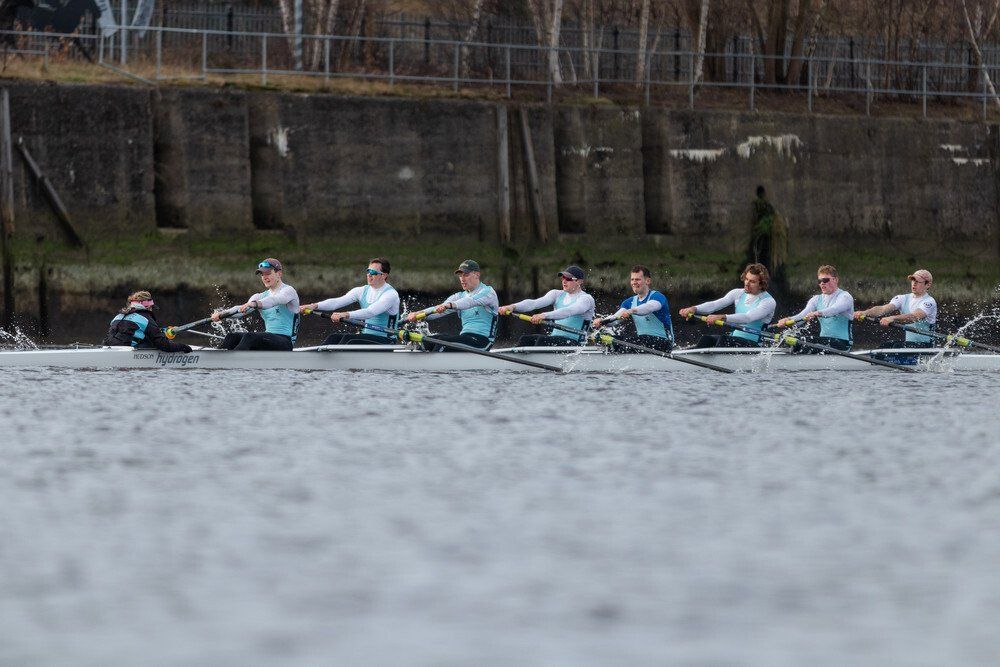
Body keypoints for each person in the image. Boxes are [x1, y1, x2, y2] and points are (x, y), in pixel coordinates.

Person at [301, 258, 400, 345]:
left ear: (384, 275)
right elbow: (337, 302)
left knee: (348, 339)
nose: (369, 275)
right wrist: (314, 306)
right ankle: (318, 360)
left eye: (373, 272)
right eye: (368, 271)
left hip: (386, 341)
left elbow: (370, 312)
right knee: (333, 338)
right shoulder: (361, 291)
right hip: (367, 336)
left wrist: (345, 314)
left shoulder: (390, 294)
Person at [405, 259, 499, 351]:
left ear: (477, 275)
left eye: (466, 275)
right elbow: (436, 311)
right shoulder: (459, 296)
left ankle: (432, 365)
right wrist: (417, 314)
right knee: (429, 340)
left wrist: (449, 305)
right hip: (465, 338)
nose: (462, 279)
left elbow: (470, 302)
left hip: (482, 342)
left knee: (442, 342)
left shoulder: (488, 292)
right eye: (460, 275)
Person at [678, 263, 776, 348]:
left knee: (724, 340)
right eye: (746, 279)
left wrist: (722, 317)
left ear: (761, 284)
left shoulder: (768, 302)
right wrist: (694, 308)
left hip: (754, 345)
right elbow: (714, 304)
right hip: (735, 339)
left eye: (752, 281)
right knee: (707, 339)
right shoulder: (738, 293)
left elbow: (748, 318)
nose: (747, 283)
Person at [212, 258, 300, 351]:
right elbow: (241, 311)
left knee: (250, 337)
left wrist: (254, 304)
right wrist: (221, 315)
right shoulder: (259, 296)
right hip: (269, 340)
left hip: (285, 342)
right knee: (231, 337)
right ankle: (216, 360)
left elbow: (274, 300)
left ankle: (234, 360)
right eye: (262, 274)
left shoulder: (289, 291)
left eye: (268, 273)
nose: (265, 277)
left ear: (279, 274)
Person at [499, 265, 595, 347]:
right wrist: (512, 307)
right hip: (555, 340)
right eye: (563, 278)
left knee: (541, 340)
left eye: (568, 279)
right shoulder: (556, 294)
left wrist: (544, 315)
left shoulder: (586, 299)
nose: (564, 281)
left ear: (579, 281)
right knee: (526, 339)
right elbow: (534, 303)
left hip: (575, 343)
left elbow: (568, 311)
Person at [592, 265, 674, 352]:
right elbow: (615, 319)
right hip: (644, 343)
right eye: (632, 279)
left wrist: (632, 311)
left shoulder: (658, 297)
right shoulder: (629, 302)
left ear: (648, 281)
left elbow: (649, 308)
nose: (634, 282)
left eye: (638, 279)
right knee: (609, 339)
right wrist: (602, 322)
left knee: (628, 341)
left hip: (664, 343)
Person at [774, 264, 854, 351]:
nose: (822, 283)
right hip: (825, 343)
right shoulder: (816, 299)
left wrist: (818, 313)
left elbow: (835, 309)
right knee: (787, 339)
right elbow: (802, 317)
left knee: (803, 341)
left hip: (843, 344)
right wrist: (788, 320)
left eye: (825, 280)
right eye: (820, 281)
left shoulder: (845, 297)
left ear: (836, 280)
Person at [853, 269, 937, 348]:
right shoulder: (902, 298)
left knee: (895, 347)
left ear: (928, 284)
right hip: (910, 345)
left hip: (926, 346)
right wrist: (865, 312)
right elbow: (882, 309)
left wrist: (892, 318)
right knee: (885, 346)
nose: (914, 283)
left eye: (918, 281)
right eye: (912, 280)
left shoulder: (929, 302)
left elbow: (914, 317)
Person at [103, 290, 193, 353]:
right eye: (151, 308)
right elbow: (163, 345)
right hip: (127, 352)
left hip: (107, 348)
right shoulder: (145, 319)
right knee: (156, 343)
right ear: (148, 307)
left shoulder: (119, 316)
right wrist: (183, 347)